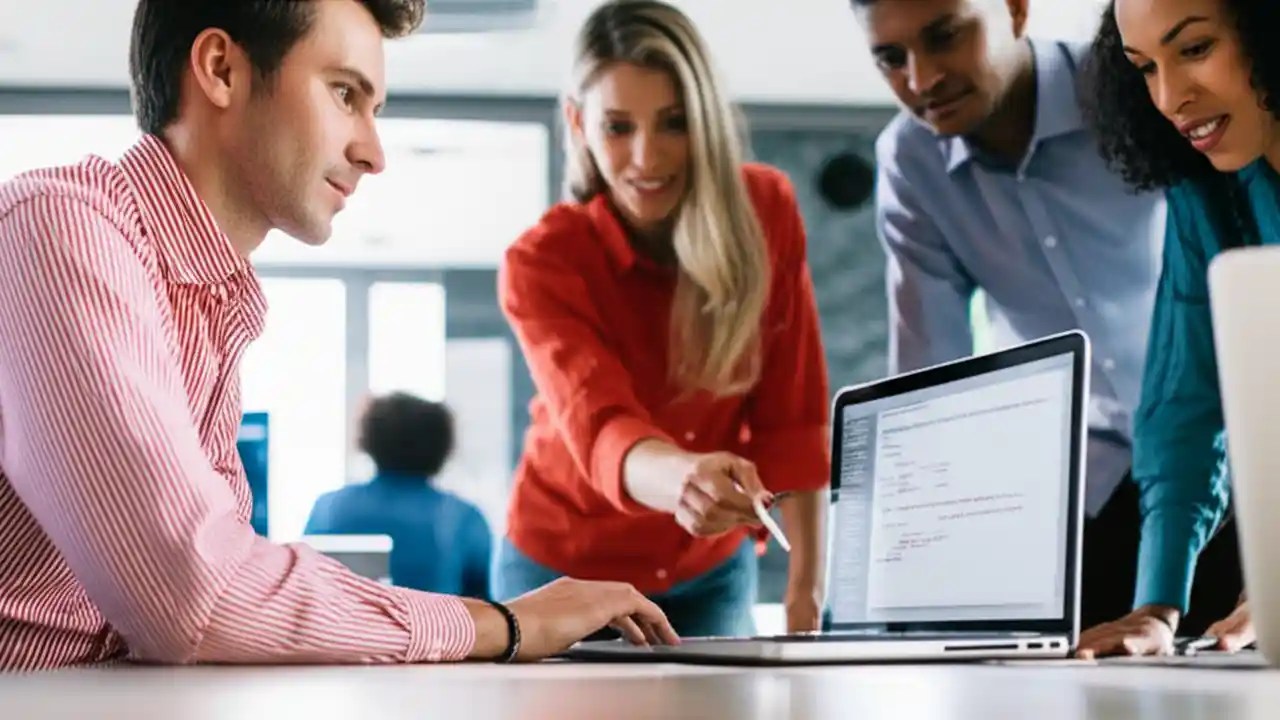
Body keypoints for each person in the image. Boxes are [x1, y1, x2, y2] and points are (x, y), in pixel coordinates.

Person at [0, 0, 676, 673]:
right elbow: (199, 599)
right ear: (220, 69)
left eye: (372, 109)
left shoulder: (205, 299)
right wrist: (501, 622)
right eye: (344, 93)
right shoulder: (61, 231)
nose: (372, 152)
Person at [849, 0, 1195, 630]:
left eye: (946, 36)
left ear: (1014, 9)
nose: (921, 79)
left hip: (1218, 456)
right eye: (890, 58)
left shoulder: (1136, 81)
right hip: (1078, 495)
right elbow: (930, 387)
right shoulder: (912, 162)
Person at [494, 0, 831, 637]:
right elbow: (601, 427)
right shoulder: (542, 261)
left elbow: (794, 415)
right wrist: (687, 482)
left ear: (706, 124)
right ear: (578, 125)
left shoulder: (767, 212)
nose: (647, 157)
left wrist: (805, 592)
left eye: (673, 123)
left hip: (707, 566)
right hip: (564, 565)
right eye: (618, 127)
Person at [1074, 0, 1278, 658]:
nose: (1168, 97)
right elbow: (1182, 403)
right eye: (1143, 69)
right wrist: (1157, 607)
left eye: (1193, 49)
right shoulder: (1208, 194)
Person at [305, 393, 492, 599]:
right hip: (434, 630)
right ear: (444, 445)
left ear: (368, 440)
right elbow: (486, 607)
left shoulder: (330, 507)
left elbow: (307, 585)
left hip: (340, 629)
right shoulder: (463, 517)